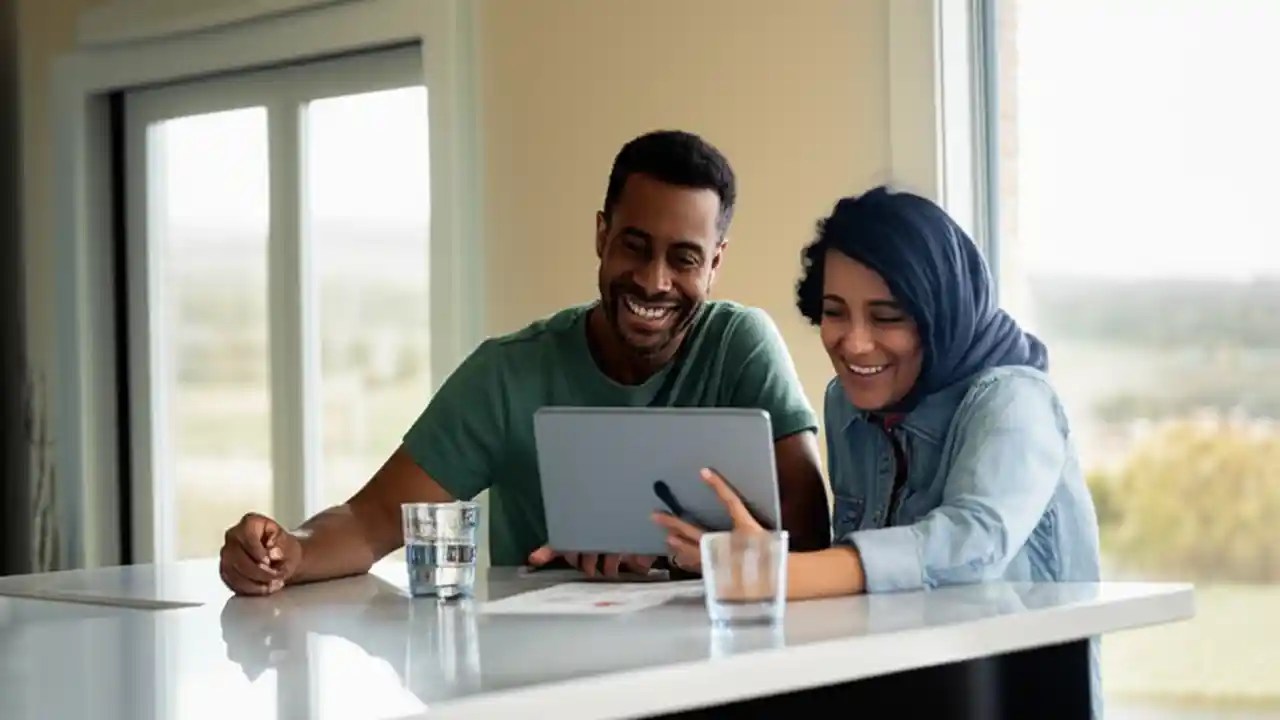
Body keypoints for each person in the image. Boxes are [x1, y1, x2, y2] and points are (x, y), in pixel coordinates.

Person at [218, 129, 831, 596]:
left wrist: (678, 555)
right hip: (542, 673)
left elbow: (809, 536)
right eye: (634, 247)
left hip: (716, 669)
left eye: (685, 259)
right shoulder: (509, 373)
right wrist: (289, 552)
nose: (654, 280)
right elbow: (374, 516)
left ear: (716, 263)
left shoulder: (741, 345)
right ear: (601, 235)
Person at [655, 185, 1102, 595]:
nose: (855, 343)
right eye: (834, 312)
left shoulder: (1015, 400)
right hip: (902, 668)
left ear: (939, 316)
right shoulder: (844, 402)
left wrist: (775, 571)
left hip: (1018, 679)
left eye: (887, 316)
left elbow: (970, 546)